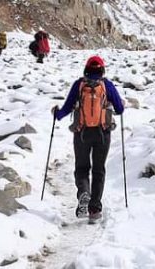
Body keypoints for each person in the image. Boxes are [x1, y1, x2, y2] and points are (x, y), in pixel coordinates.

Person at [52, 56, 124, 221]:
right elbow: (119, 109)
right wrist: (120, 105)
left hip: (82, 132)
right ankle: (94, 209)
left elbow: (66, 108)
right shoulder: (107, 85)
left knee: (82, 168)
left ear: (86, 69)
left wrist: (57, 113)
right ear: (102, 69)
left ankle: (84, 193)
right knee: (99, 170)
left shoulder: (79, 85)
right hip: (103, 133)